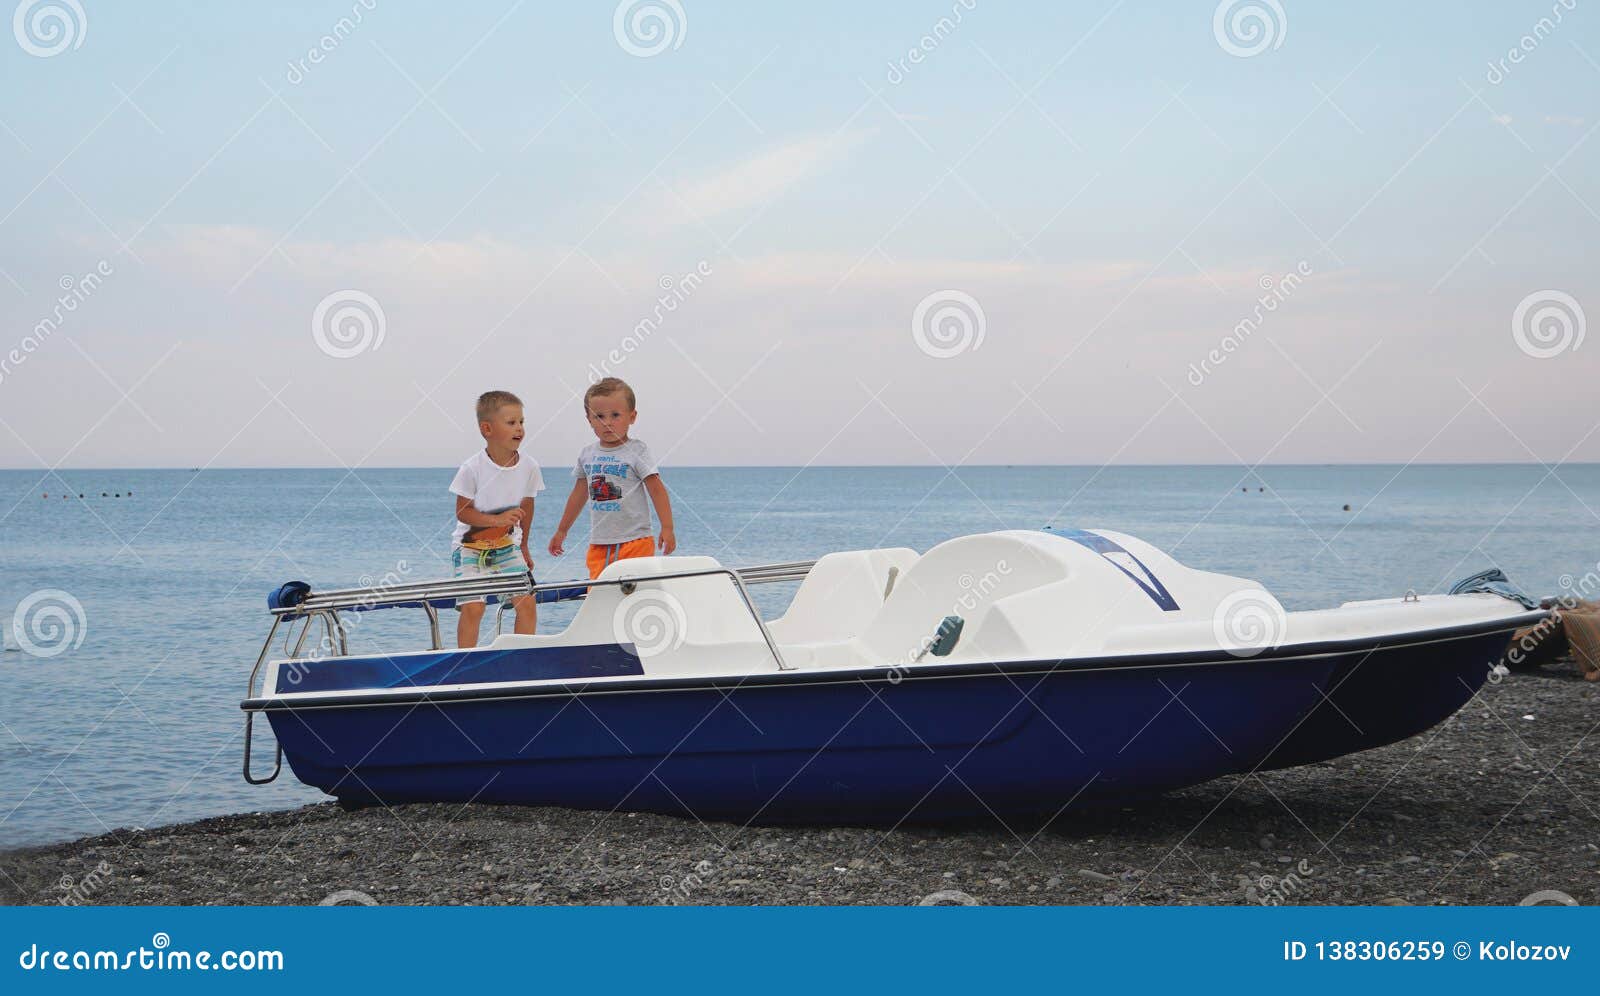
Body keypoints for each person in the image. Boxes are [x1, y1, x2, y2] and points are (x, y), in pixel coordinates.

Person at [548, 377, 675, 579]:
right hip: (599, 542)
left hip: (636, 540)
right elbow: (579, 494)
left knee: (633, 592)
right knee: (599, 594)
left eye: (615, 415)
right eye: (599, 416)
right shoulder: (587, 454)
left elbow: (656, 489)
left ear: (632, 417)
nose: (607, 423)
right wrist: (562, 530)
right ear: (589, 419)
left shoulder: (637, 450)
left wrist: (667, 527)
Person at [450, 390, 544, 647]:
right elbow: (462, 512)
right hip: (469, 547)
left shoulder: (530, 467)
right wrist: (497, 520)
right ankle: (465, 663)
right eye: (511, 423)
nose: (519, 429)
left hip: (507, 547)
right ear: (487, 429)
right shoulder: (472, 468)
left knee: (527, 604)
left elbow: (527, 508)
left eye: (521, 422)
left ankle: (519, 659)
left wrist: (523, 546)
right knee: (474, 608)